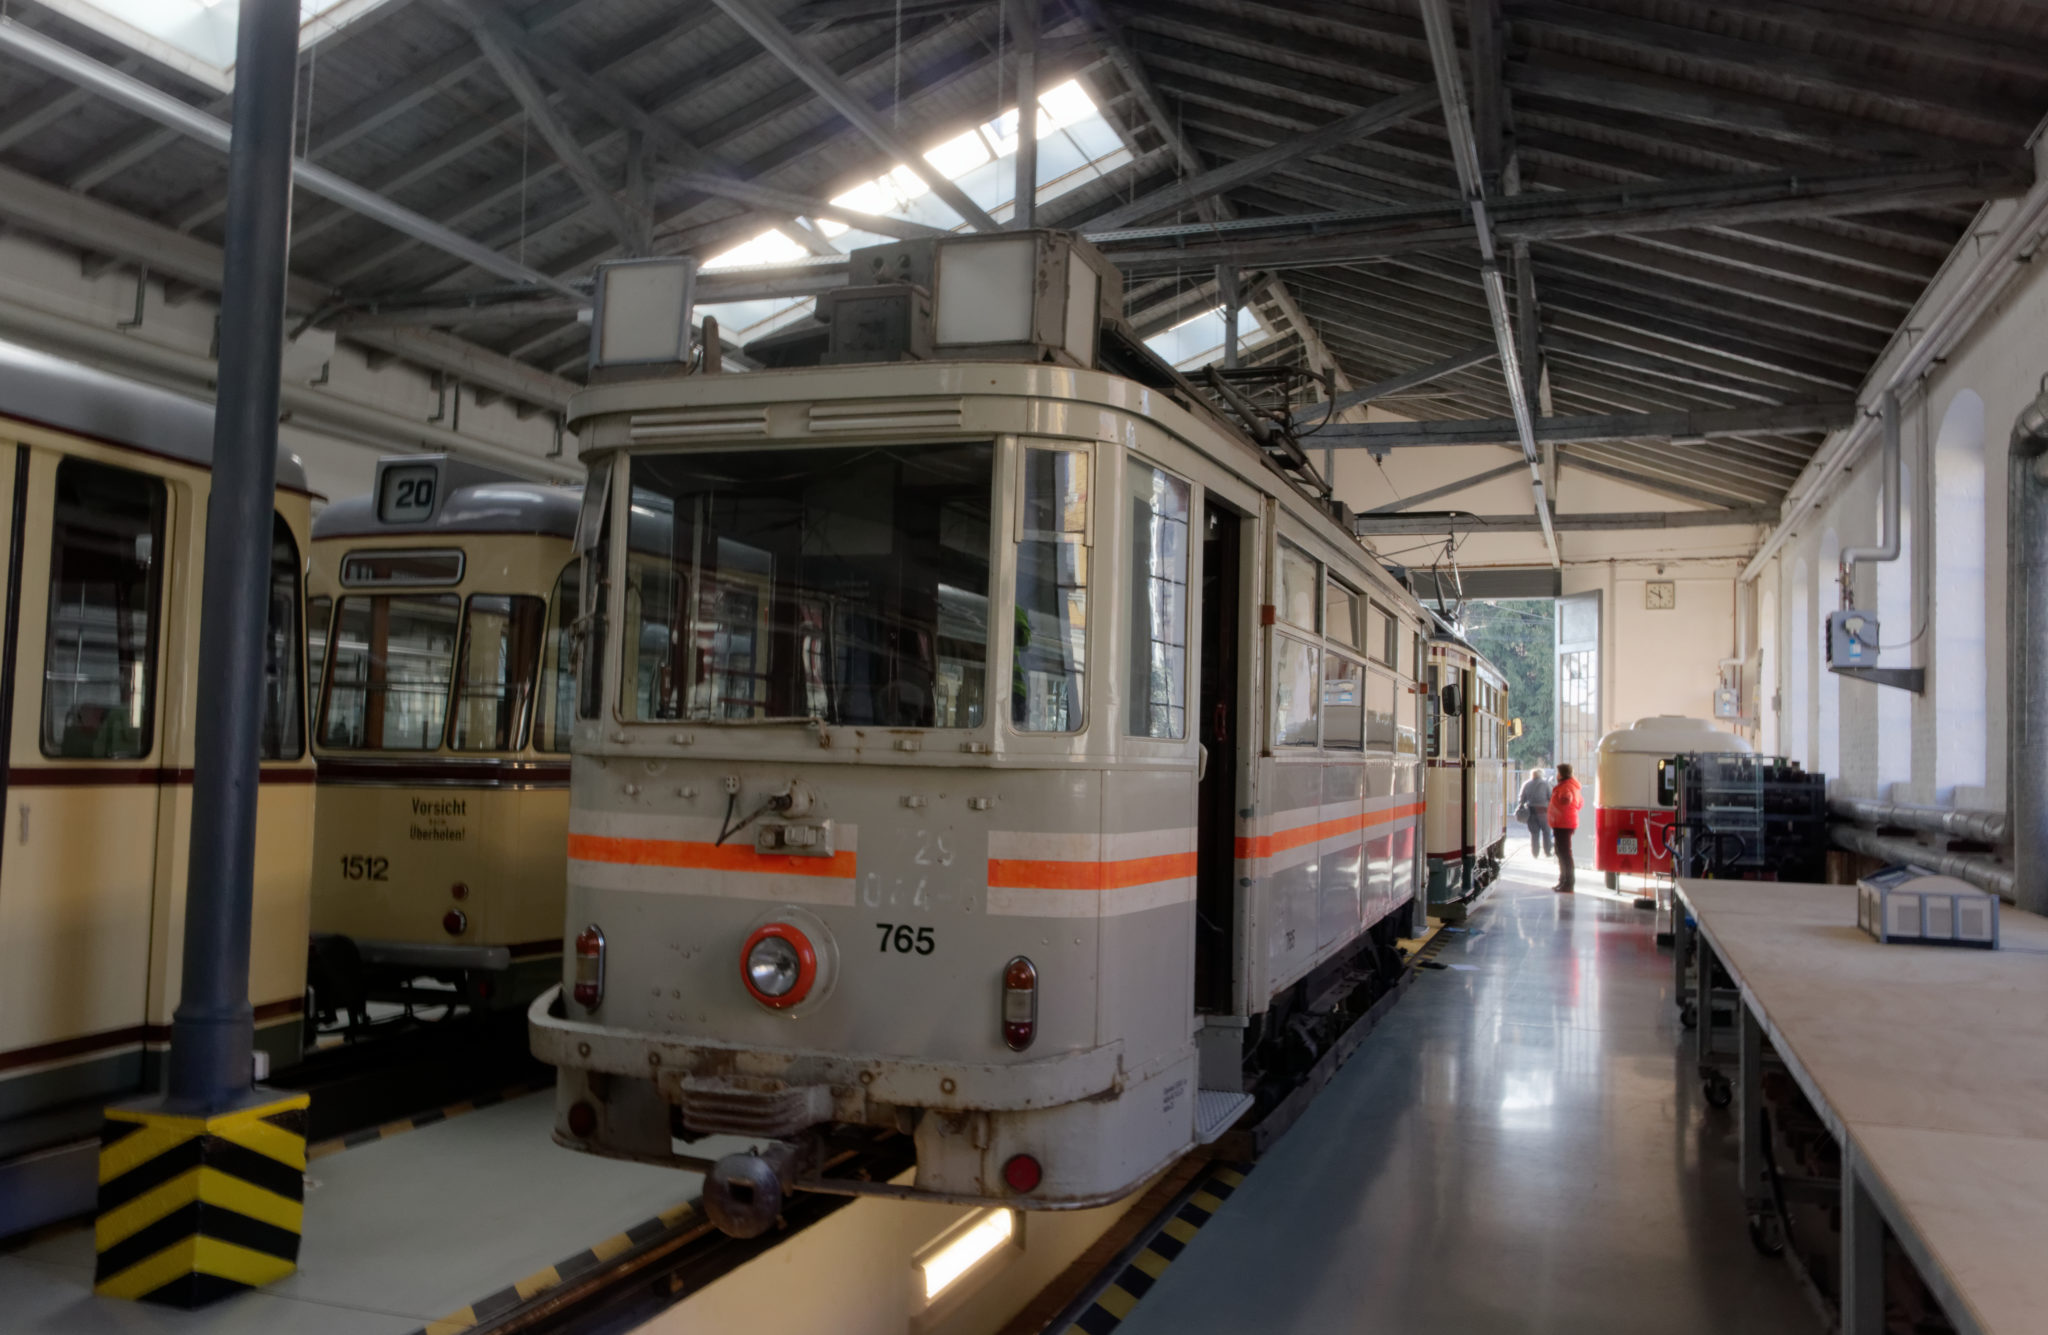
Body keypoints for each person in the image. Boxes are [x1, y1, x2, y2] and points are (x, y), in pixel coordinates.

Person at [1548, 762, 1584, 893]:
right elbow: (1580, 803)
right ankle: (1563, 880)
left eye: (1558, 772)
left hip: (1563, 823)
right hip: (1563, 823)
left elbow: (1566, 799)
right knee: (1561, 852)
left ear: (1562, 774)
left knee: (1564, 854)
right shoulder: (1570, 785)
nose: (1557, 775)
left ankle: (1568, 883)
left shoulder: (1566, 786)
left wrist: (1560, 805)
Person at [1517, 767, 1553, 858]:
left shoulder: (1526, 784)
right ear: (1541, 774)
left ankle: (1535, 853)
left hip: (1531, 811)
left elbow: (1521, 799)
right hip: (1544, 812)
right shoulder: (1546, 783)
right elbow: (1551, 797)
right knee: (1546, 832)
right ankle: (1547, 852)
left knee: (1534, 833)